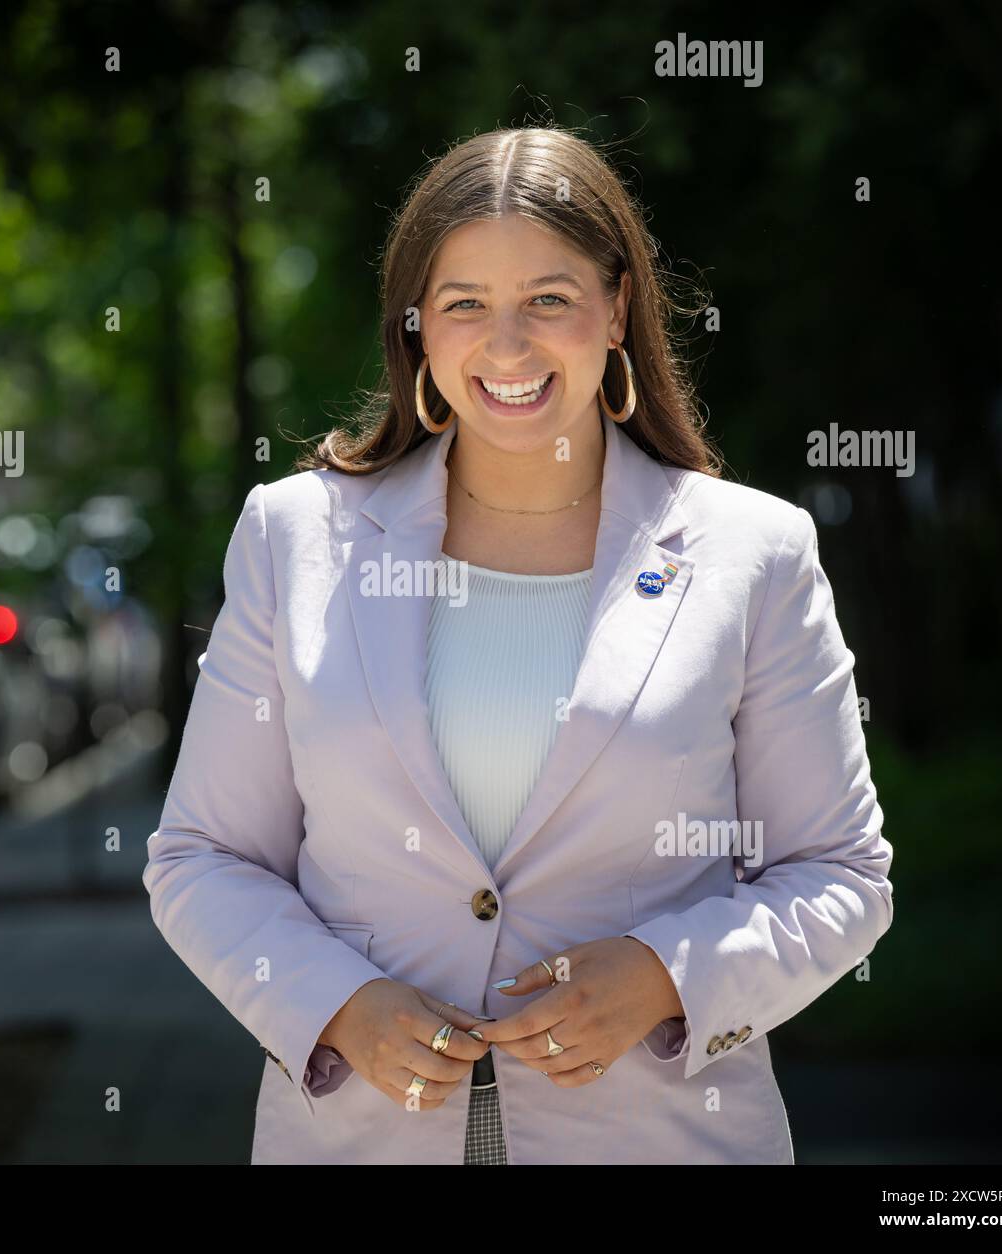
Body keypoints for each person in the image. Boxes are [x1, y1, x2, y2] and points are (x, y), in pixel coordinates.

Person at [142, 125, 894, 1164]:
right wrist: (338, 1005)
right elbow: (203, 859)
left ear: (616, 308)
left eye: (548, 298)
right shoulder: (292, 537)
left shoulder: (753, 552)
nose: (506, 346)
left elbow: (840, 876)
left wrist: (663, 975)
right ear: (415, 324)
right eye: (463, 305)